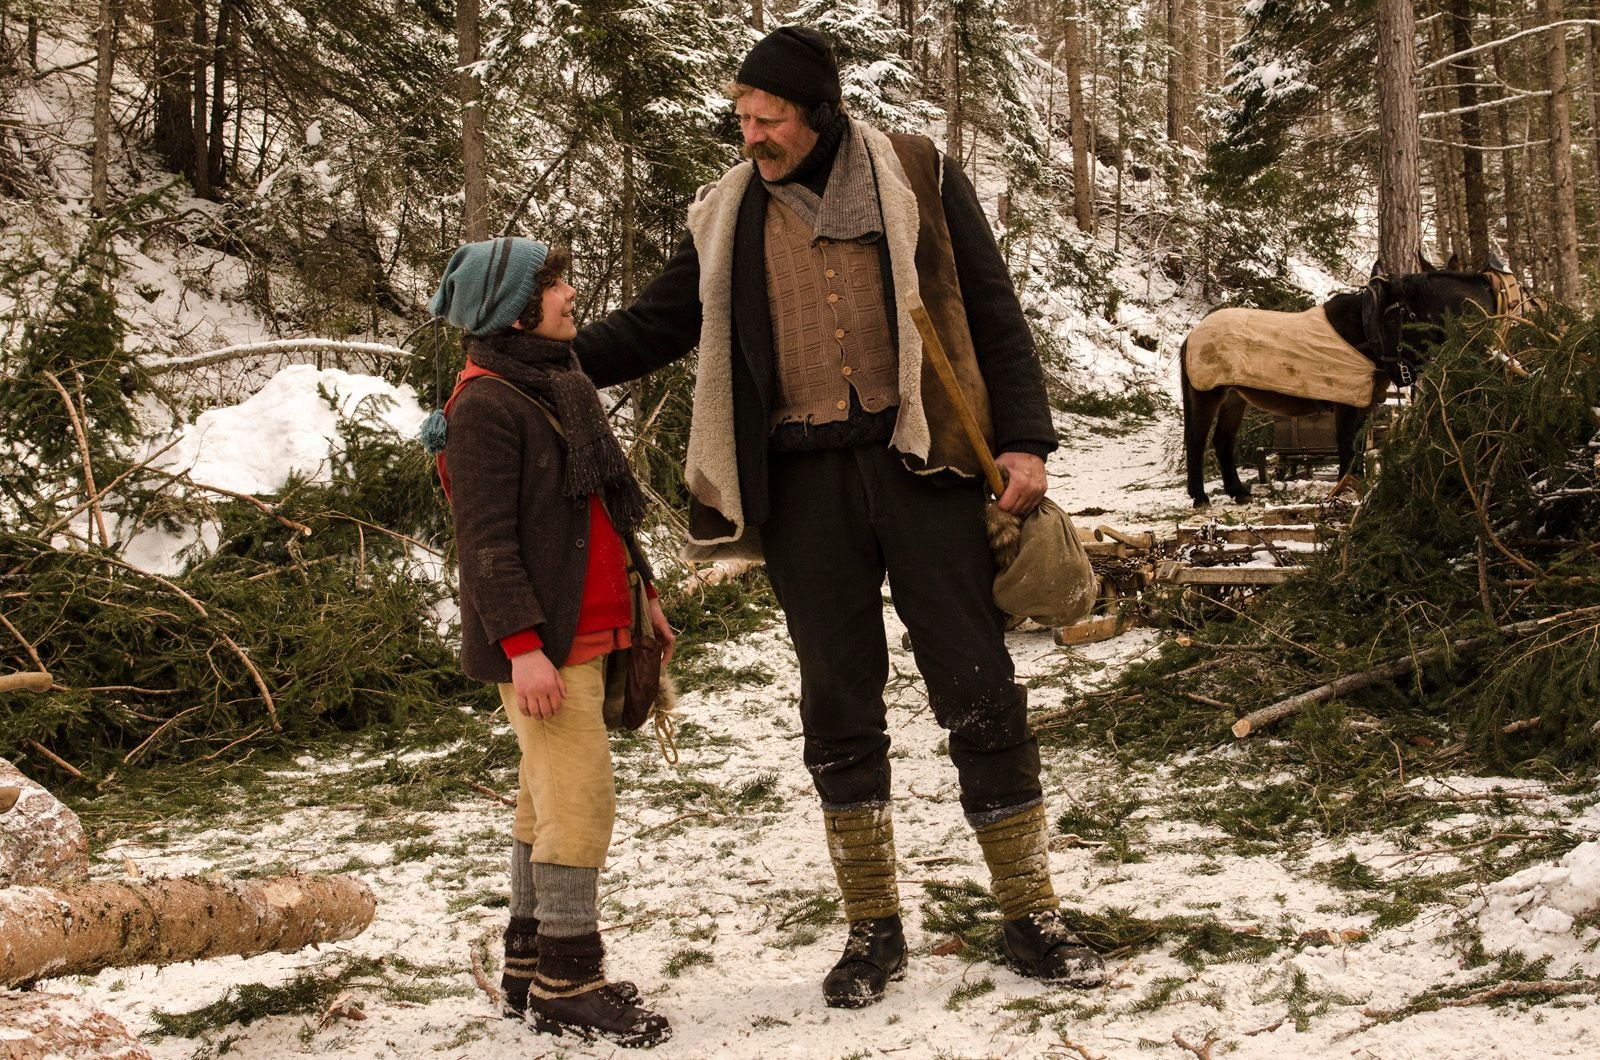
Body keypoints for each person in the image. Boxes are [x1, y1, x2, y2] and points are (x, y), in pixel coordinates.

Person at [574, 26, 1105, 1008]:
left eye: (766, 119)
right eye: (741, 119)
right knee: (836, 701)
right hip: (804, 489)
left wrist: (1026, 441)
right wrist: (546, 356)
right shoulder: (725, 215)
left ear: (817, 113)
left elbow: (992, 311)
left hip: (929, 468)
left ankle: (1030, 911)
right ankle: (872, 925)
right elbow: (655, 322)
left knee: (980, 685)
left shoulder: (916, 174)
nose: (751, 138)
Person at [428, 236, 675, 1047]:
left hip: (590, 625)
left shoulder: (557, 383)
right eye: (556, 284)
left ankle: (529, 967)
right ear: (515, 309)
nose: (572, 294)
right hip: (543, 646)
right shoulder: (486, 405)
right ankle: (572, 980)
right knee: (581, 798)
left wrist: (646, 597)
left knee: (543, 799)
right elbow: (486, 544)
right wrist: (523, 648)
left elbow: (601, 511)